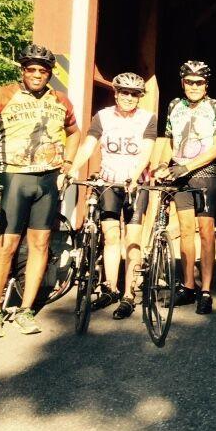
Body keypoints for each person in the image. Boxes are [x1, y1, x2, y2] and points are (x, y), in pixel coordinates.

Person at [0, 44, 80, 338]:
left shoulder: (61, 100)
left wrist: (68, 163)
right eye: (31, 69)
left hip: (48, 181)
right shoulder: (2, 95)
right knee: (6, 246)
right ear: (22, 70)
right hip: (15, 179)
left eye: (43, 70)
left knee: (40, 245)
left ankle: (25, 310)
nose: (37, 74)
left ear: (50, 73)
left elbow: (75, 133)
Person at [66, 72, 156, 319]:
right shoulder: (102, 116)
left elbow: (146, 152)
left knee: (133, 239)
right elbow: (88, 145)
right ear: (116, 93)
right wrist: (72, 169)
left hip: (136, 184)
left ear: (140, 97)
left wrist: (135, 177)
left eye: (134, 94)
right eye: (124, 92)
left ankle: (129, 294)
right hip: (109, 183)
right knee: (111, 236)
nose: (129, 97)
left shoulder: (147, 118)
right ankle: (111, 288)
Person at [153, 61, 216, 314]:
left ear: (206, 85)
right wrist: (163, 164)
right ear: (182, 83)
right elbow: (169, 141)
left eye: (199, 82)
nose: (194, 86)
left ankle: (205, 290)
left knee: (206, 231)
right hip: (180, 175)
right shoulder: (174, 105)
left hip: (205, 175)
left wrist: (186, 167)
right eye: (189, 82)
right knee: (185, 230)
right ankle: (188, 285)